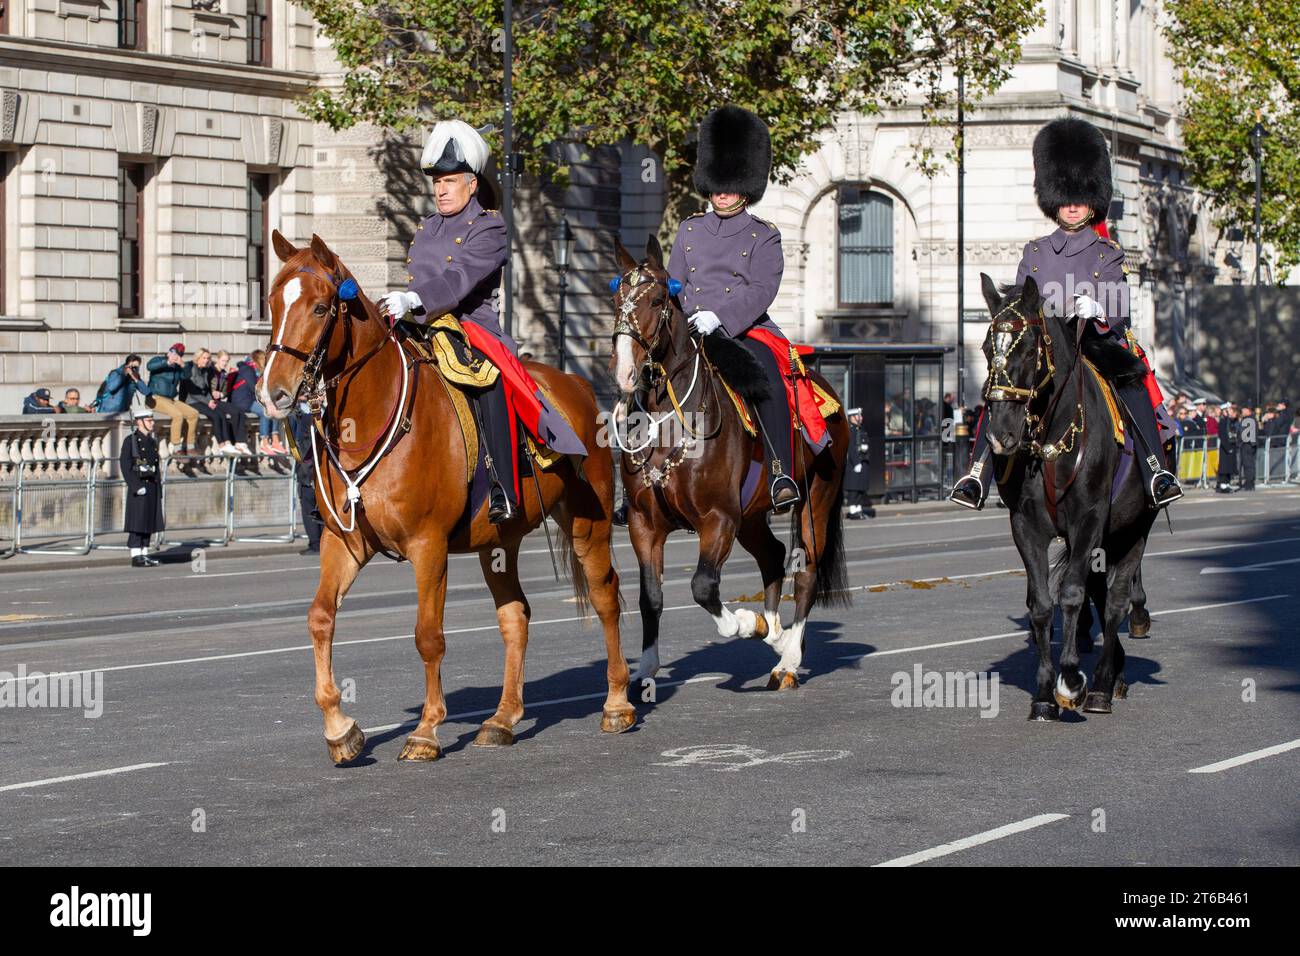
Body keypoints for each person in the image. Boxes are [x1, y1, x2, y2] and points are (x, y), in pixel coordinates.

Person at [951, 116, 1182, 511]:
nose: (1073, 207)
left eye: (1079, 198)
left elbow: (1121, 308)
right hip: (1044, 345)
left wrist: (1097, 309)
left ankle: (1155, 470)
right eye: (1066, 198)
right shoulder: (1035, 252)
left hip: (1093, 341)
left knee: (1132, 382)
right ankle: (977, 474)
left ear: (1093, 200)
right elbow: (1023, 302)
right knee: (1002, 384)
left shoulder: (1107, 253)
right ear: (1053, 199)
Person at [379, 119, 586, 523]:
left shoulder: (490, 226)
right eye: (437, 181)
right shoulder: (426, 227)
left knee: (487, 381)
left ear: (472, 184)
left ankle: (502, 488)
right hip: (422, 325)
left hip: (471, 328)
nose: (440, 189)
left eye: (450, 180)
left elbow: (459, 279)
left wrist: (416, 298)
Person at [665, 105, 830, 513]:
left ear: (746, 186)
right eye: (717, 183)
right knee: (646, 374)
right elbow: (673, 283)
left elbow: (762, 289)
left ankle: (780, 474)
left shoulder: (763, 236)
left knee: (767, 379)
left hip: (743, 330)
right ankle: (639, 475)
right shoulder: (688, 229)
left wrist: (720, 316)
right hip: (690, 328)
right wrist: (686, 317)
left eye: (731, 184)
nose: (722, 191)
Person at [183, 347, 248, 456]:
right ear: (198, 358)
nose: (206, 360)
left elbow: (206, 389)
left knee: (221, 414)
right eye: (204, 358)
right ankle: (221, 445)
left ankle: (227, 443)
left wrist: (210, 400)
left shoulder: (204, 370)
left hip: (204, 399)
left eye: (208, 358)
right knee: (215, 416)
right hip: (192, 400)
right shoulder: (192, 369)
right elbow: (192, 391)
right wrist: (208, 401)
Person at [120, 407, 164, 567]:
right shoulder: (131, 441)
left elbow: (155, 465)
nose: (152, 423)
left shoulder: (152, 442)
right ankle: (135, 555)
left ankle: (145, 553)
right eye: (149, 420)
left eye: (152, 420)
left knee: (148, 522)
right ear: (139, 422)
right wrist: (135, 486)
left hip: (151, 485)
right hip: (139, 487)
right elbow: (125, 465)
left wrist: (158, 486)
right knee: (137, 523)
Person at [145, 344, 201, 459]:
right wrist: (167, 362)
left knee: (193, 414)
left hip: (170, 399)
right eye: (173, 353)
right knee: (178, 415)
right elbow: (150, 366)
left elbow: (186, 376)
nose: (174, 356)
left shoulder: (177, 367)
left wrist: (183, 365)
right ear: (169, 352)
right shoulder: (159, 360)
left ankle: (190, 446)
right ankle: (176, 448)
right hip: (155, 398)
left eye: (177, 355)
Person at [228, 350, 285, 455]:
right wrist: (266, 401)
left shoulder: (256, 371)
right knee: (265, 411)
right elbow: (254, 388)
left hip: (251, 399)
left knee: (275, 408)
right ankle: (264, 442)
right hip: (243, 401)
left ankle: (275, 440)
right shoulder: (247, 369)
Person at [290, 404, 323, 555]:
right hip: (318, 474)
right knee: (320, 510)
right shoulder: (322, 422)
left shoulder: (304, 421)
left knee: (309, 511)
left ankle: (316, 544)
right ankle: (320, 543)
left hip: (308, 474)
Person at [844, 407, 875, 519]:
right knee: (854, 489)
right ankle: (853, 511)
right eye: (859, 416)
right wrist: (856, 462)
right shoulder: (851, 430)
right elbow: (851, 448)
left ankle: (858, 509)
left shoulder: (860, 429)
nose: (861, 418)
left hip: (863, 462)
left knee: (860, 488)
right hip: (854, 465)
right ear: (852, 417)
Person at [1216, 402, 1238, 493]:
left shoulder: (1230, 421)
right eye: (1227, 411)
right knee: (1224, 467)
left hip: (1231, 446)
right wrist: (1228, 447)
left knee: (1229, 466)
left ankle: (1227, 483)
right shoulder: (1223, 421)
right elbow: (1223, 435)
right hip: (1226, 447)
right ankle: (1223, 484)